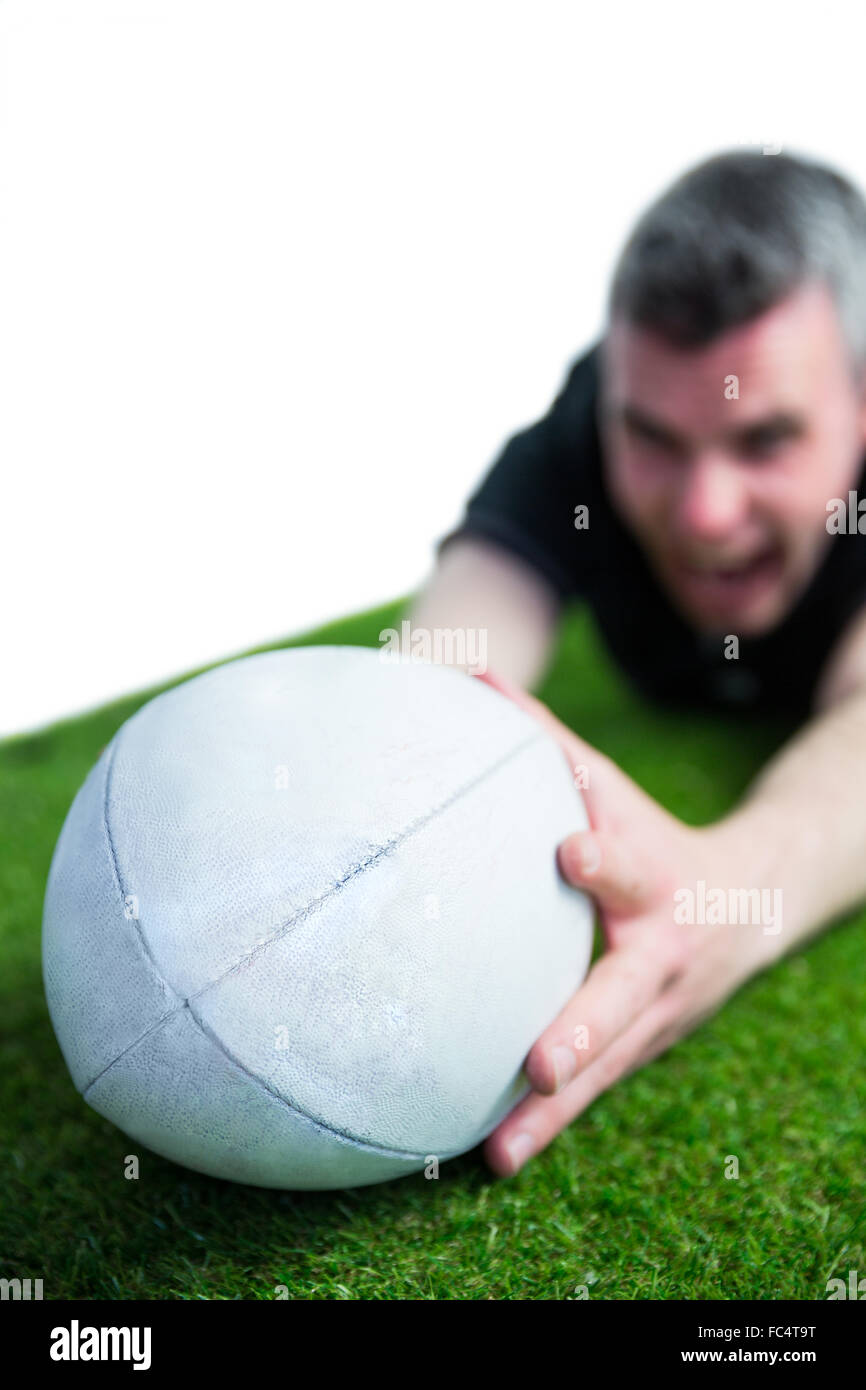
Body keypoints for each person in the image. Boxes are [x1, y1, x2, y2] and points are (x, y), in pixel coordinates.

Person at [410, 149, 866, 1177]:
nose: (704, 513)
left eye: (765, 440)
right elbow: (444, 663)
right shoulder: (579, 427)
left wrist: (729, 889)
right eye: (653, 438)